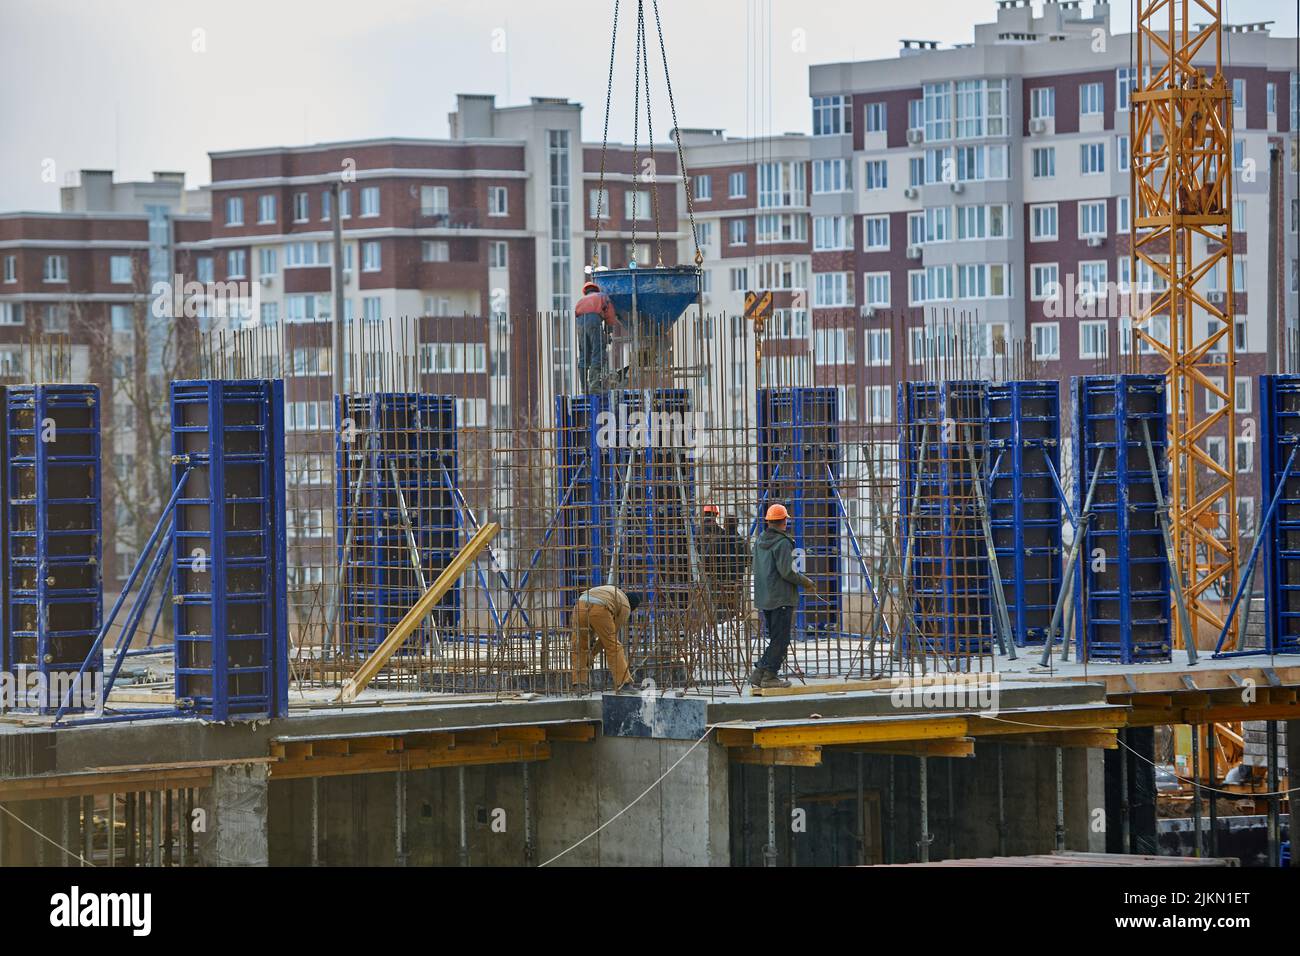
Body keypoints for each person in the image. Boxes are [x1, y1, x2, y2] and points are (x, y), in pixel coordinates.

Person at [750, 503, 815, 689]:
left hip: (765, 598)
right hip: (781, 598)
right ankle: (769, 675)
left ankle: (759, 674)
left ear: (768, 522)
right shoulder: (783, 543)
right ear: (784, 521)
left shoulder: (760, 540)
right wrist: (806, 582)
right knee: (782, 640)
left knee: (777, 638)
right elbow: (787, 572)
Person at [571, 584, 643, 694]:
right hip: (600, 607)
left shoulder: (614, 592)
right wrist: (593, 654)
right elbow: (607, 640)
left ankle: (579, 685)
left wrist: (591, 655)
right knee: (614, 646)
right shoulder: (626, 606)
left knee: (579, 646)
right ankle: (624, 684)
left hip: (580, 604)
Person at [574, 280, 621, 392]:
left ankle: (584, 387)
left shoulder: (581, 300)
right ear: (596, 290)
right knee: (598, 351)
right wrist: (608, 331)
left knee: (584, 354)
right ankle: (594, 386)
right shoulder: (601, 296)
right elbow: (610, 315)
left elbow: (576, 314)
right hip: (594, 320)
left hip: (580, 324)